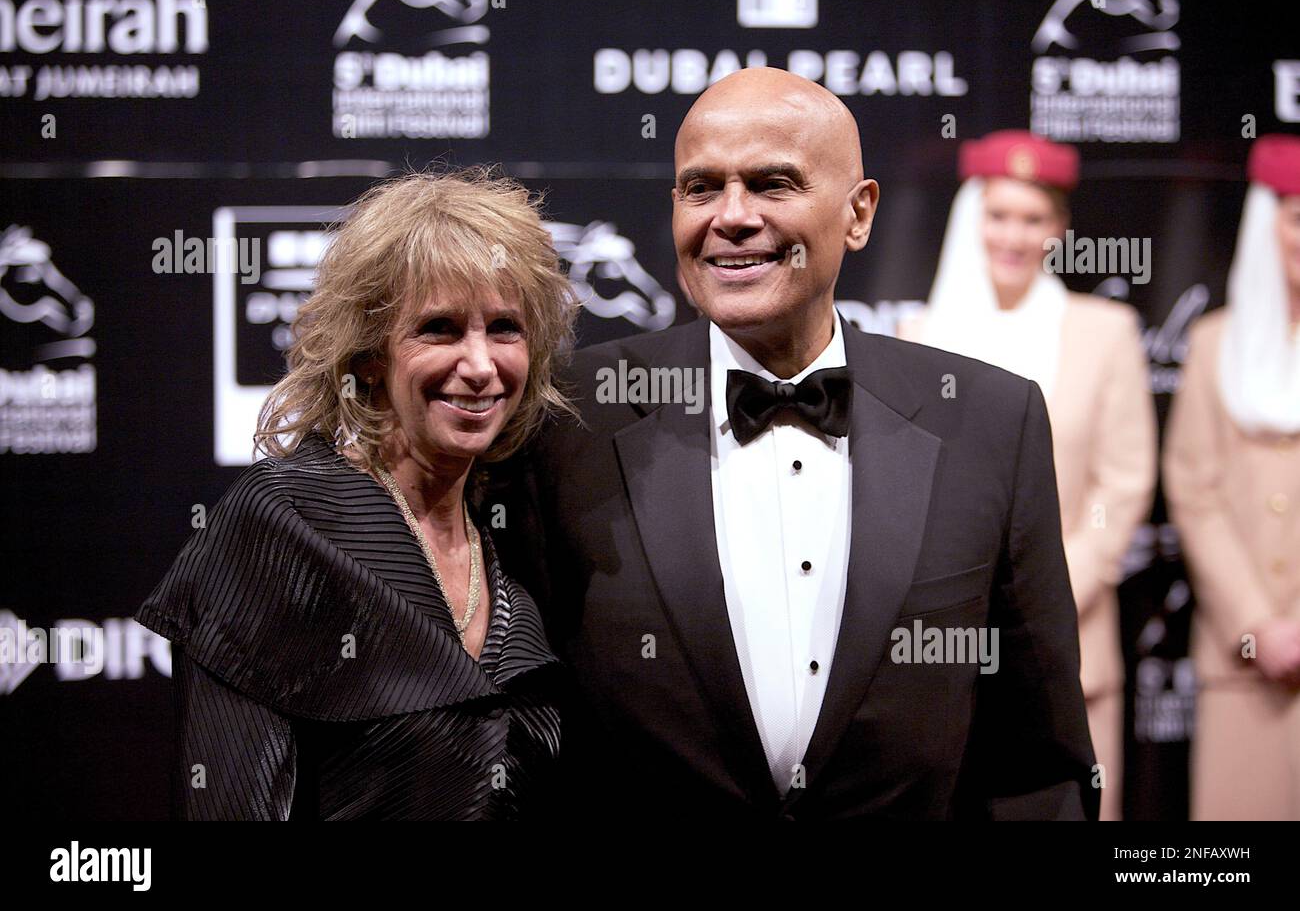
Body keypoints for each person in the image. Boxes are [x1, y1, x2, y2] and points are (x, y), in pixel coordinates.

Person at [500, 69, 1098, 819]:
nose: (733, 216)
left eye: (773, 183)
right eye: (701, 188)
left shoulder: (988, 421)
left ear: (859, 213)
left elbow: (1038, 764)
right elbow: (521, 734)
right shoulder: (567, 415)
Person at [135, 168, 578, 819]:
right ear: (372, 354)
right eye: (441, 329)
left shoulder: (513, 541)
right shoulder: (287, 524)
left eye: (505, 328)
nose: (482, 366)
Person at [898, 130, 1157, 820]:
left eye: (1033, 218)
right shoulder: (919, 335)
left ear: (1059, 230)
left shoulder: (1106, 331)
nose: (1013, 236)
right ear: (972, 218)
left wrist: (1057, 589)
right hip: (944, 646)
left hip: (1072, 638)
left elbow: (1126, 477)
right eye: (999, 214)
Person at [1165, 133, 1300, 820]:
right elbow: (1194, 488)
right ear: (1267, 225)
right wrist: (1260, 622)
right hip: (1242, 660)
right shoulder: (1218, 342)